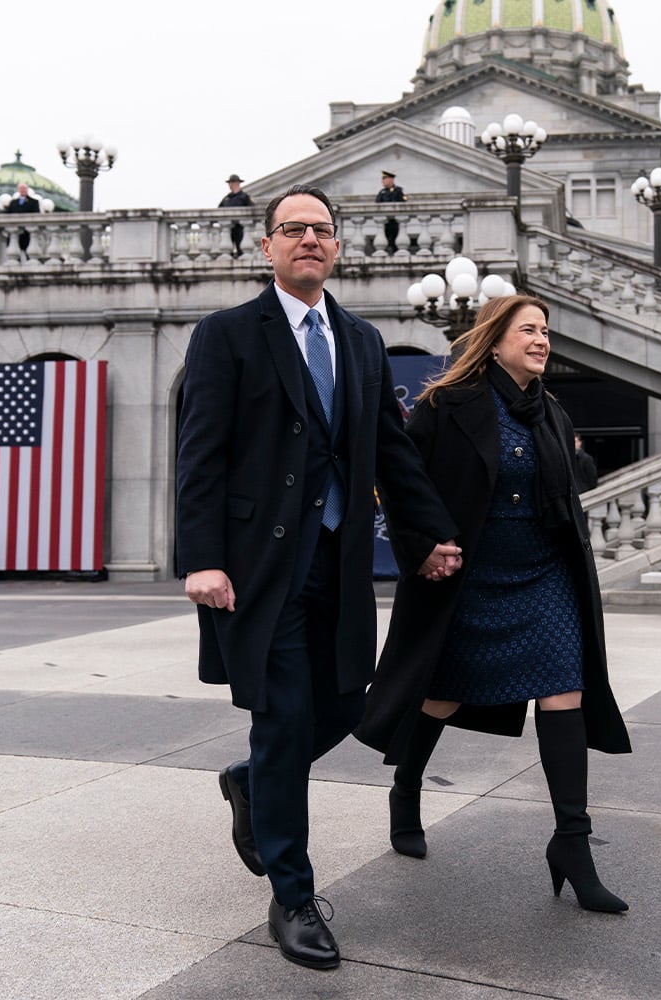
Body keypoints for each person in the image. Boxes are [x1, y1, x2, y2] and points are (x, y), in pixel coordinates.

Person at [175, 183, 463, 971]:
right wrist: (200, 557)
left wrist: (430, 532)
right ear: (266, 247)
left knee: (343, 707)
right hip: (258, 570)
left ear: (339, 247)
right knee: (284, 716)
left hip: (339, 564)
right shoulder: (227, 335)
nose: (309, 239)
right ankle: (294, 898)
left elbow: (390, 454)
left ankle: (252, 782)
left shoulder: (362, 341)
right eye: (293, 229)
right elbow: (199, 453)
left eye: (323, 230)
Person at [357, 295, 633, 914]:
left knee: (565, 692)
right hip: (470, 576)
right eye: (528, 330)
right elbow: (398, 483)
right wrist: (424, 545)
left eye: (545, 332)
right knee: (443, 695)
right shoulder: (444, 406)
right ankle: (407, 788)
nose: (541, 340)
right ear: (495, 339)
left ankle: (573, 843)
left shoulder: (551, 411)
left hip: (546, 574)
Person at [217, 173, 252, 256]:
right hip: (228, 228)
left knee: (242, 251)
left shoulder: (244, 197)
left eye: (231, 182)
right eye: (229, 183)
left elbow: (251, 210)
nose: (230, 185)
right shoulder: (227, 198)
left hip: (240, 227)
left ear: (237, 183)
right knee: (227, 252)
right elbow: (219, 210)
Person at [3, 182, 39, 253]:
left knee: (29, 252)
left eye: (24, 188)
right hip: (14, 230)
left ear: (27, 189)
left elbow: (36, 215)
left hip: (28, 232)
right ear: (18, 190)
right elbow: (7, 215)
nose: (22, 190)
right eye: (21, 188)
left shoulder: (34, 202)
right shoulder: (13, 202)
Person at [376, 170, 406, 253]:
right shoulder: (382, 192)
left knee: (395, 238)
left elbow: (402, 202)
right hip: (385, 222)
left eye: (385, 179)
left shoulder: (398, 191)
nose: (383, 181)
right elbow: (377, 203)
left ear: (391, 180)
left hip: (395, 221)